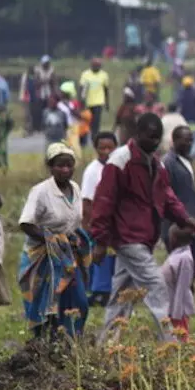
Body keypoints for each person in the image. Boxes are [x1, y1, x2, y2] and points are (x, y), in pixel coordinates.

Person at [91, 113, 195, 344]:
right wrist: (100, 240)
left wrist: (184, 219)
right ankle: (172, 345)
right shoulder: (120, 161)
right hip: (127, 237)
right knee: (157, 286)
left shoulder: (155, 162)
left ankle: (106, 345)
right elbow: (104, 201)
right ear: (138, 134)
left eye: (157, 138)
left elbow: (167, 196)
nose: (154, 141)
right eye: (150, 137)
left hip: (144, 237)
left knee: (122, 295)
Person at [18, 144, 92, 340]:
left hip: (67, 256)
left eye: (69, 165)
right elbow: (26, 223)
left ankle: (72, 340)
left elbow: (75, 221)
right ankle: (44, 343)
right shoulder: (41, 191)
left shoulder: (75, 188)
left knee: (79, 301)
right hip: (43, 256)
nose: (65, 170)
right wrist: (50, 240)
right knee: (46, 303)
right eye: (60, 165)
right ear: (51, 166)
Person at [81, 132, 118, 308]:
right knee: (100, 257)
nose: (107, 151)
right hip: (98, 223)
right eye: (102, 148)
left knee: (113, 258)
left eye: (110, 147)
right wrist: (88, 225)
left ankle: (112, 290)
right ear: (96, 149)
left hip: (115, 223)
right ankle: (99, 292)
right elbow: (87, 201)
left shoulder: (118, 167)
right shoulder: (92, 171)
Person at [161, 126, 195, 259]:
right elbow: (166, 195)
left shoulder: (187, 160)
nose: (189, 144)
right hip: (177, 226)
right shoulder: (168, 163)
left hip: (191, 222)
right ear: (175, 140)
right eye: (186, 140)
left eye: (191, 140)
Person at [162, 224, 195, 340]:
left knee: (180, 339)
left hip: (178, 310)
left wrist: (176, 313)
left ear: (175, 239)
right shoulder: (176, 255)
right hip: (170, 306)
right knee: (171, 338)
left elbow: (183, 287)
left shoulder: (185, 258)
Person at [79, 58, 110, 144]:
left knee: (96, 124)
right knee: (86, 123)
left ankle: (94, 140)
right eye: (95, 65)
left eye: (98, 66)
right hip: (87, 103)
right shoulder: (85, 74)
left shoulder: (104, 75)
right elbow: (81, 89)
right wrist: (80, 102)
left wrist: (107, 103)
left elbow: (106, 89)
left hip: (98, 102)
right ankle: (84, 142)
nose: (97, 67)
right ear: (91, 65)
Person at [33, 56, 55, 133]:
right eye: (45, 63)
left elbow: (53, 82)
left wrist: (54, 93)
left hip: (48, 94)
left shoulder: (51, 70)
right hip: (41, 94)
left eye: (48, 63)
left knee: (48, 110)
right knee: (40, 111)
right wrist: (43, 81)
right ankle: (39, 127)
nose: (47, 64)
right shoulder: (38, 70)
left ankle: (47, 126)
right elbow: (36, 83)